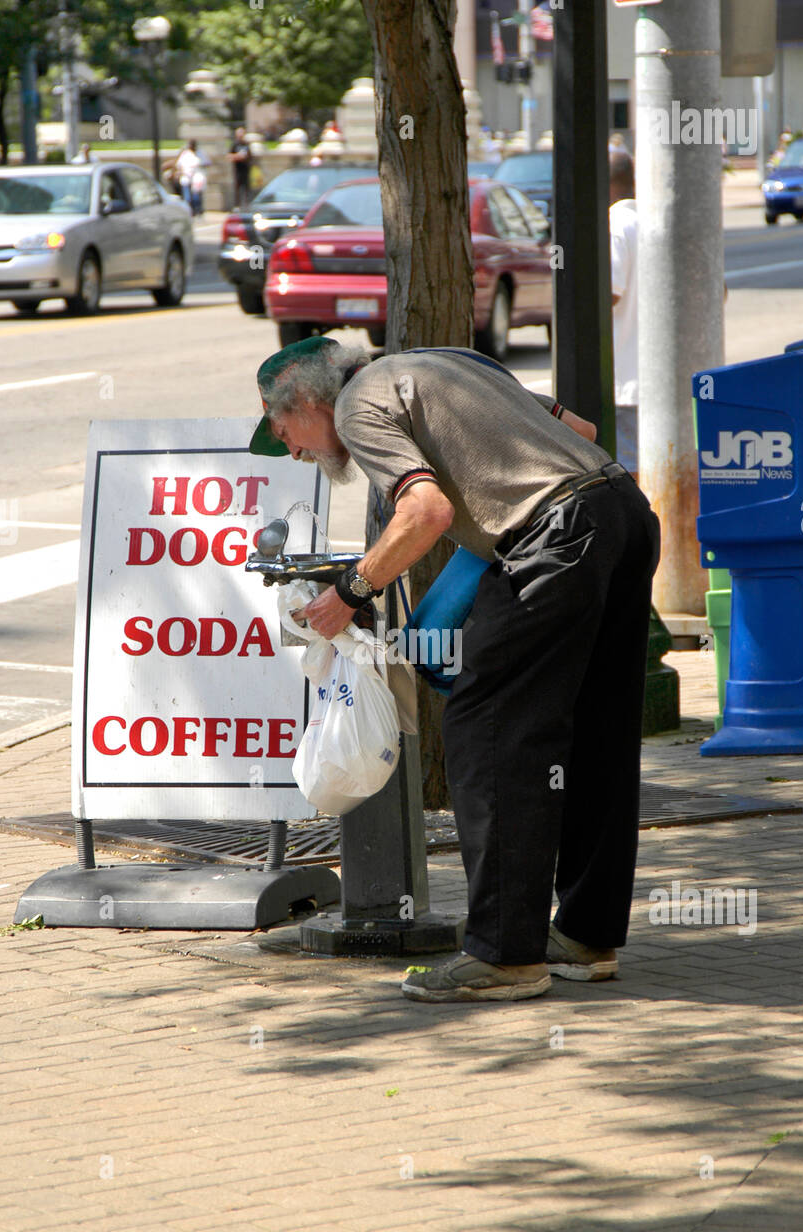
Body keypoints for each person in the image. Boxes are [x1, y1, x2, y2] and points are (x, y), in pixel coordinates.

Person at [247, 336, 661, 1004]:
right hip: (623, 514)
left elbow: (426, 511)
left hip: (553, 540)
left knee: (488, 725)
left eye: (280, 425)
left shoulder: (356, 404)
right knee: (596, 733)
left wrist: (351, 590)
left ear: (307, 400)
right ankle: (585, 936)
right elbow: (579, 430)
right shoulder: (447, 366)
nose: (289, 446)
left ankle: (503, 955)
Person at [609, 147, 638, 479]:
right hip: (663, 383)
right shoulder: (659, 222)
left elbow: (609, 293)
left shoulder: (616, 225)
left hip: (626, 381)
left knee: (630, 473)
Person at [174, 139, 203, 211]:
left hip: (195, 178)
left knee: (196, 196)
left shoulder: (198, 154)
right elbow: (179, 165)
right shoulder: (185, 155)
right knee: (187, 197)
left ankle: (196, 210)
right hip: (186, 178)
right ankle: (189, 210)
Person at [228, 126, 252, 208]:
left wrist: (244, 157)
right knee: (237, 189)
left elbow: (250, 156)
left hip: (246, 169)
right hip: (238, 170)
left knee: (246, 189)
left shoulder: (246, 144)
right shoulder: (234, 145)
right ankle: (237, 206)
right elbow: (229, 156)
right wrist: (238, 156)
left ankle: (247, 205)